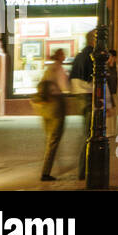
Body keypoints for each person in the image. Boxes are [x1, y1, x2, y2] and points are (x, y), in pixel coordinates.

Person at [34, 49, 69, 182]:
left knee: (50, 138)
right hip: (56, 106)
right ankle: (46, 172)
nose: (65, 56)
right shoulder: (59, 69)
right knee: (54, 140)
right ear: (59, 56)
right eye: (63, 54)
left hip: (45, 108)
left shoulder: (49, 68)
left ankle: (49, 164)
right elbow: (64, 86)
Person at [69, 30, 98, 181]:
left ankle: (85, 169)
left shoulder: (79, 56)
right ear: (94, 40)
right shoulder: (92, 55)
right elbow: (93, 80)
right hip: (88, 97)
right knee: (89, 134)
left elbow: (71, 77)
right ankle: (83, 171)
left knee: (87, 132)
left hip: (79, 97)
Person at [105, 50, 118, 137]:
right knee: (108, 112)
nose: (108, 58)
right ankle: (108, 131)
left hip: (115, 93)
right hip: (108, 92)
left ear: (114, 58)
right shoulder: (105, 68)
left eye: (110, 56)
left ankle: (113, 130)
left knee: (115, 112)